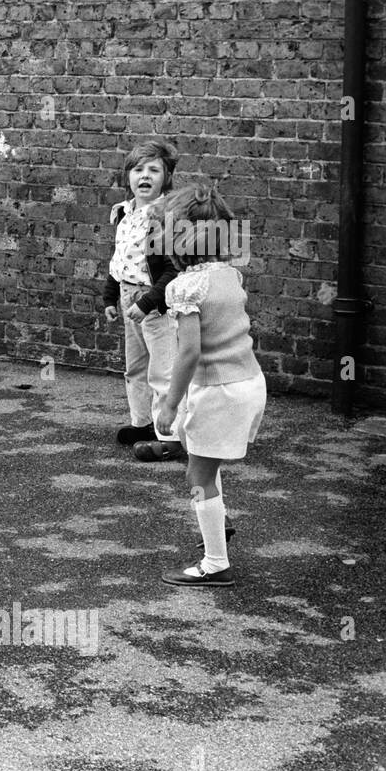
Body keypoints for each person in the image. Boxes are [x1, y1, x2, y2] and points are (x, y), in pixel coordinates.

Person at [154, 183, 265, 587]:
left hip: (220, 390)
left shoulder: (183, 287)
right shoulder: (229, 274)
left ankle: (215, 564)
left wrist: (168, 404)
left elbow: (189, 353)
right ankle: (219, 521)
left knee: (197, 477)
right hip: (249, 381)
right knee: (199, 453)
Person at [102, 139, 183, 461]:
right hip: (127, 297)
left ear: (166, 177)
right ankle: (143, 423)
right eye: (138, 169)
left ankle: (170, 434)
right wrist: (111, 296)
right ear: (128, 177)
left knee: (164, 371)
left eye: (154, 170)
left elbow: (174, 270)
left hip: (157, 304)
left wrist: (148, 302)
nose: (144, 176)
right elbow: (119, 260)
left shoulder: (167, 217)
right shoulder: (124, 213)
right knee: (135, 368)